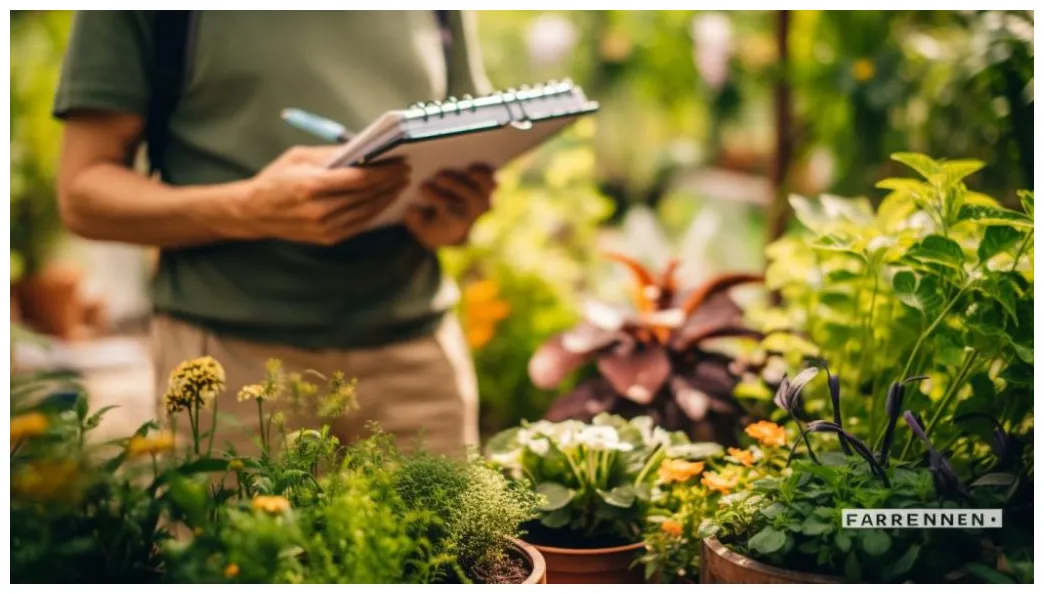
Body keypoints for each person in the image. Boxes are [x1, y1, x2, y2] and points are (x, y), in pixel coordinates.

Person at [53, 10, 496, 456]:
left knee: (460, 527)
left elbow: (466, 146)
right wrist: (248, 209)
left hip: (418, 361)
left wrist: (456, 215)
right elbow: (82, 193)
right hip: (232, 367)